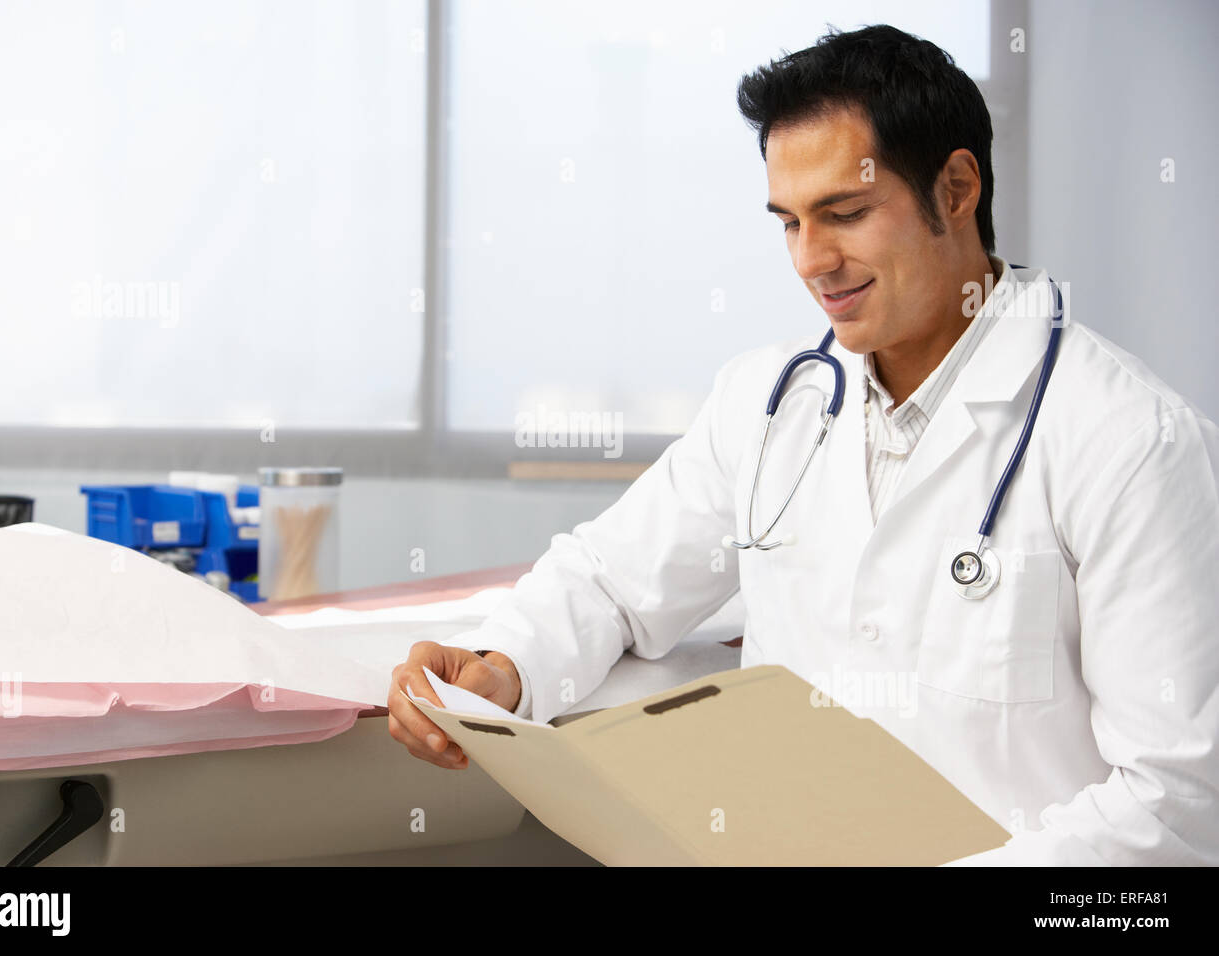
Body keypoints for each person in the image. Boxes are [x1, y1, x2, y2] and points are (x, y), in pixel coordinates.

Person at [386, 24, 1219, 865]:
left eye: (845, 213)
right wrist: (504, 668)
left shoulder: (1131, 441)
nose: (811, 260)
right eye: (788, 222)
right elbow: (612, 581)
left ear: (957, 188)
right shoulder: (768, 402)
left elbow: (1177, 801)